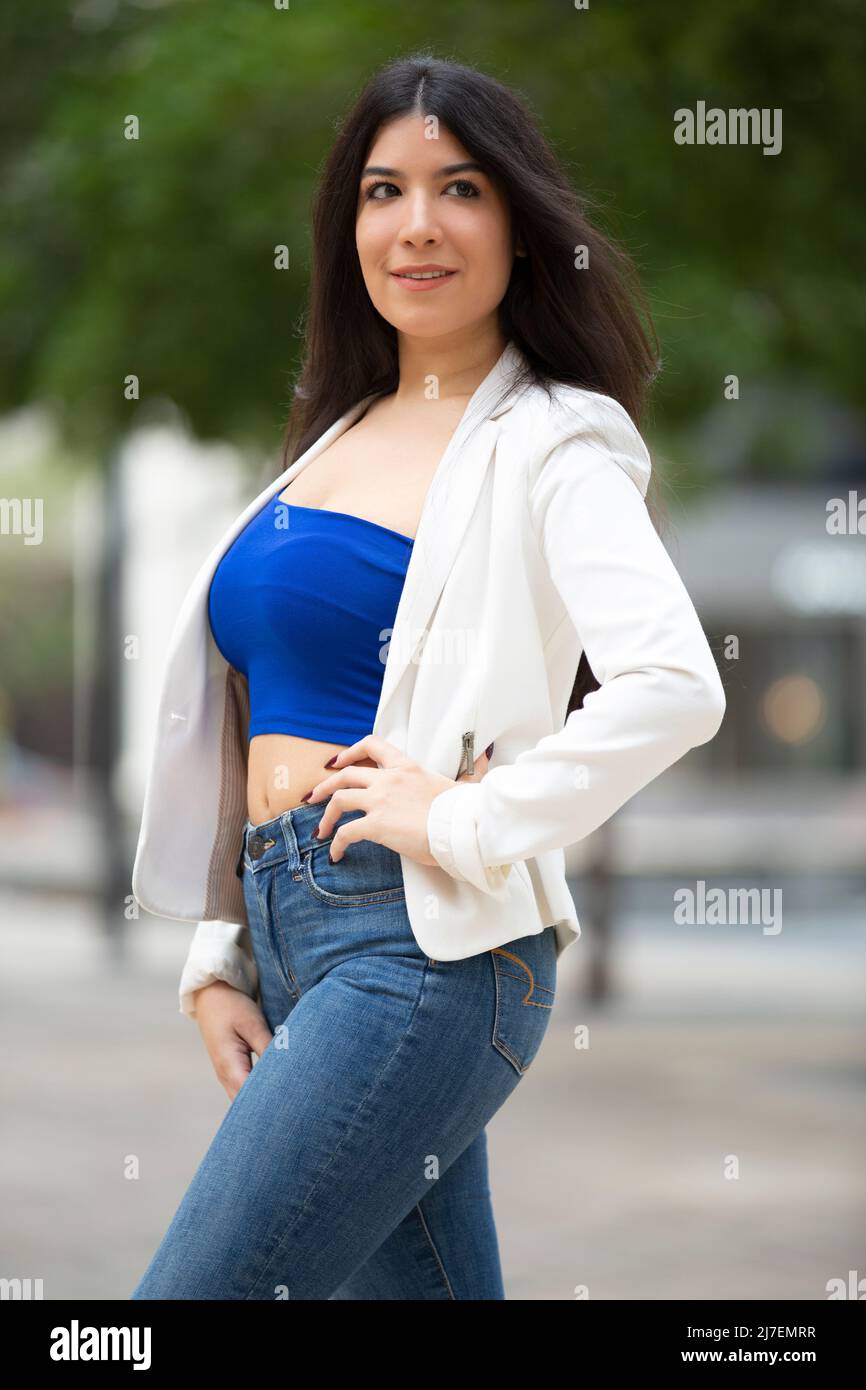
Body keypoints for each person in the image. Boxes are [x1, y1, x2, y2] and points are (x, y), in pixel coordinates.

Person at [129, 52, 726, 1300]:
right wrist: (221, 952)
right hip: (296, 937)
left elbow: (675, 682)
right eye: (380, 190)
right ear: (345, 225)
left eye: (458, 188)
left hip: (425, 948)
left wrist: (459, 814)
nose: (415, 225)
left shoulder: (552, 439)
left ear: (518, 221)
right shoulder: (331, 437)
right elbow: (263, 701)